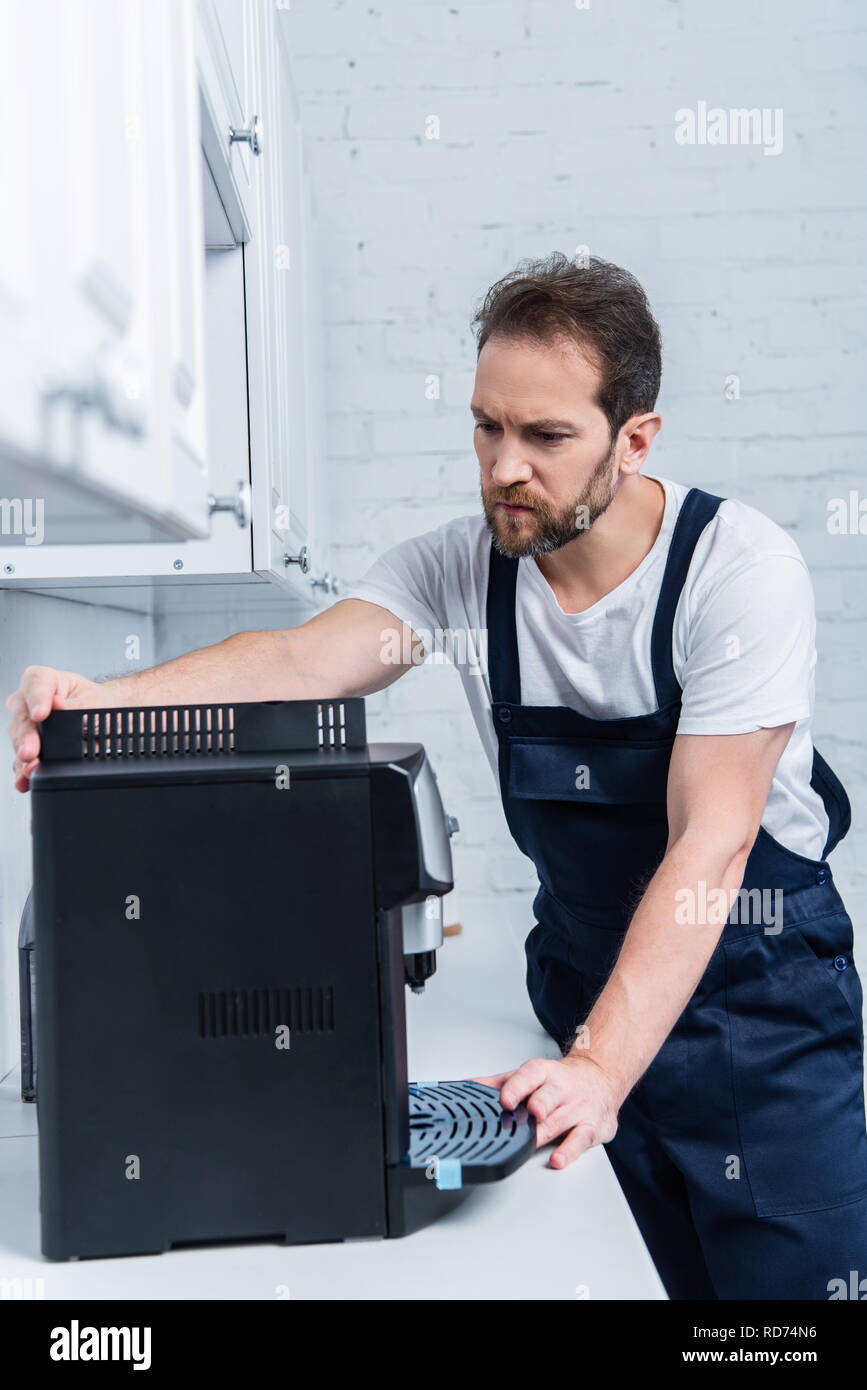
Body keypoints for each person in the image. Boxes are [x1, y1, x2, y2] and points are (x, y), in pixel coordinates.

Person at [8, 254, 867, 1300]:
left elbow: (711, 843)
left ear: (634, 439)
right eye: (486, 425)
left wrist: (603, 1067)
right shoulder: (462, 571)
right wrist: (106, 697)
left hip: (760, 1018)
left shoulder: (736, 571)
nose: (505, 466)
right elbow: (295, 661)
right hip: (586, 996)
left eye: (546, 436)